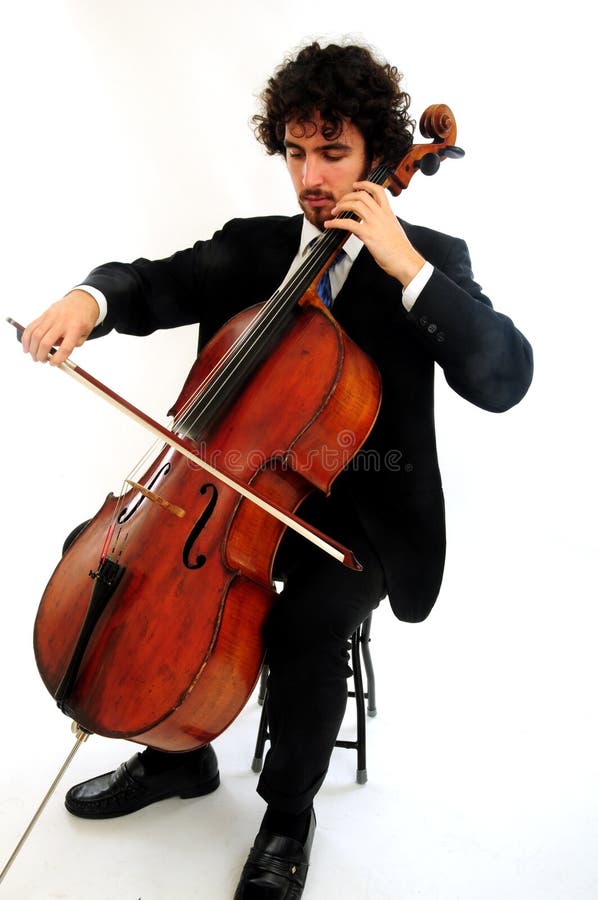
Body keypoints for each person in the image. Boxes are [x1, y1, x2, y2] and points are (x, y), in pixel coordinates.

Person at [21, 40, 533, 900]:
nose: (310, 175)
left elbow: (505, 378)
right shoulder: (253, 248)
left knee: (307, 625)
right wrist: (90, 299)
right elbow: (150, 284)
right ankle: (176, 756)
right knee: (113, 560)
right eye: (296, 152)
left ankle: (288, 816)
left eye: (332, 152)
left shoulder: (431, 256)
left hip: (360, 517)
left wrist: (405, 265)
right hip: (227, 494)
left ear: (376, 153)